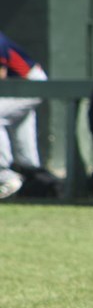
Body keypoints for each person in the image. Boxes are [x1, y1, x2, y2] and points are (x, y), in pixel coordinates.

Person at [0, 31, 47, 198]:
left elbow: (1, 76)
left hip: (31, 83)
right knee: (22, 127)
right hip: (18, 85)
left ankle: (4, 174)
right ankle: (32, 176)